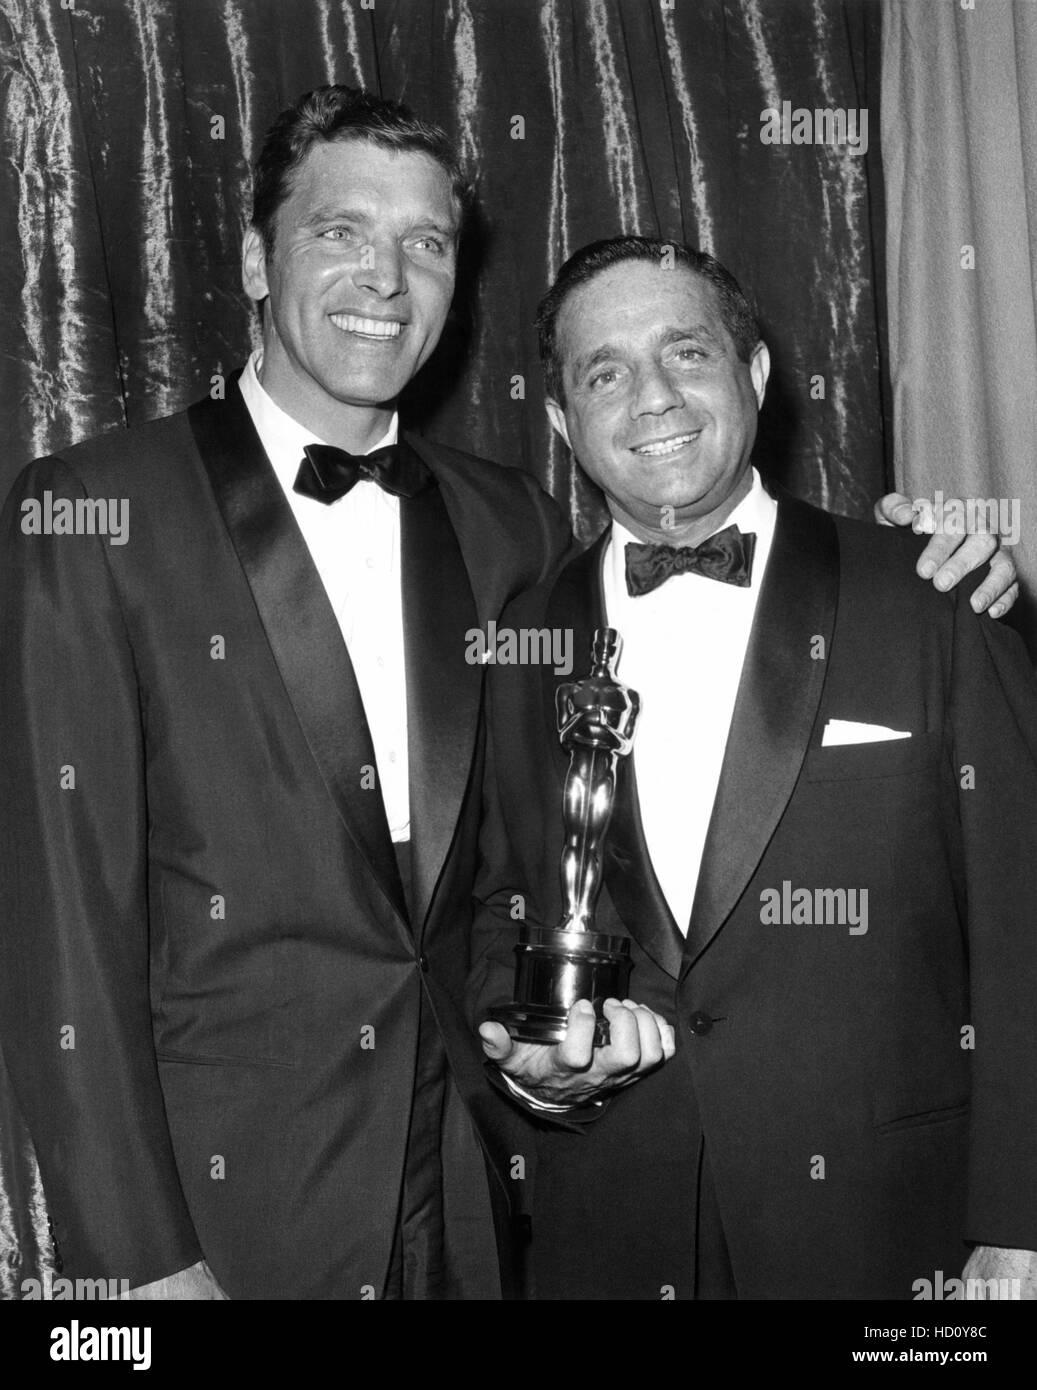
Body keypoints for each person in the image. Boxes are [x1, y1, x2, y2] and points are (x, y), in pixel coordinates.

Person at [0, 83, 1014, 1302]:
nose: (384, 277)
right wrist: (142, 1263)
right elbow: (58, 919)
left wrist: (956, 559)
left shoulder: (507, 527)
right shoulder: (88, 519)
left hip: (496, 1193)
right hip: (240, 1210)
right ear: (258, 261)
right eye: (340, 232)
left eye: (423, 243)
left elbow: (514, 873)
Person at [472, 237, 1037, 1300]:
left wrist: (1022, 1230)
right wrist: (537, 1072)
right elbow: (487, 913)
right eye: (603, 371)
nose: (650, 398)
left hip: (895, 1242)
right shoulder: (515, 643)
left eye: (684, 352)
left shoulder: (929, 598)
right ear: (561, 423)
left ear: (757, 374)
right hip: (610, 1235)